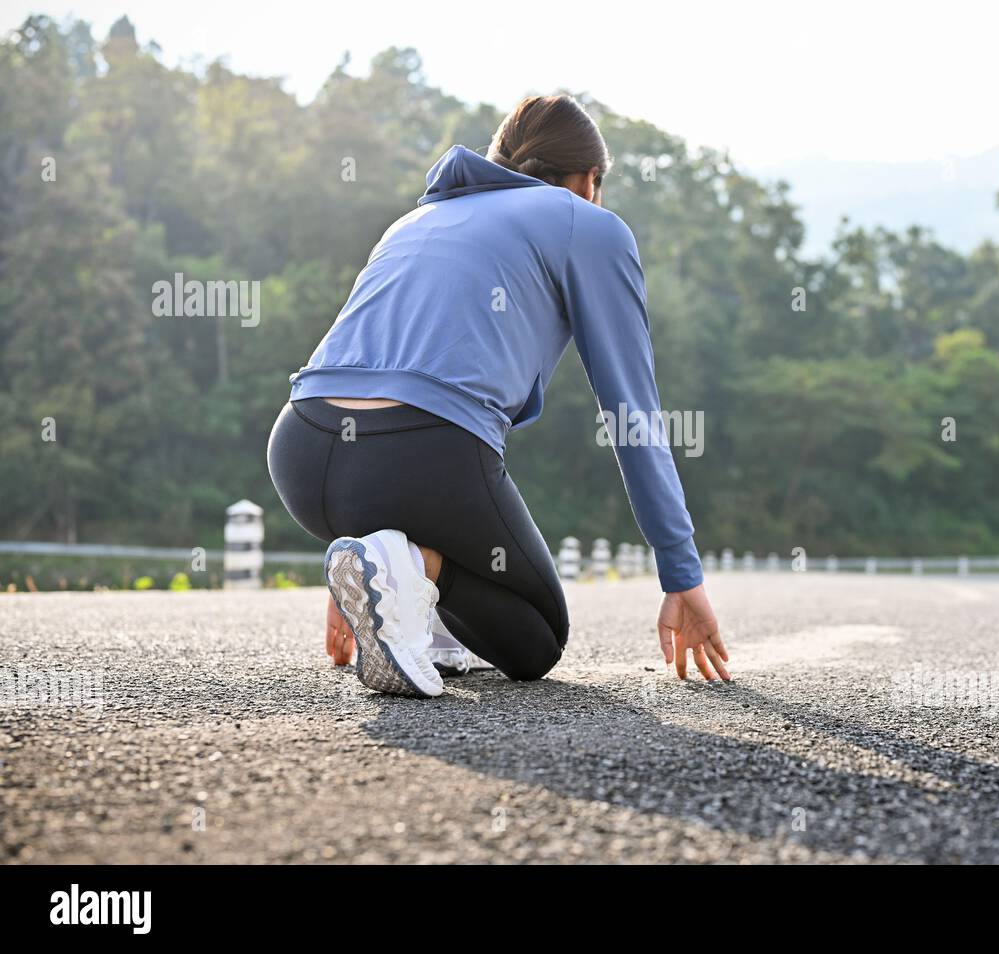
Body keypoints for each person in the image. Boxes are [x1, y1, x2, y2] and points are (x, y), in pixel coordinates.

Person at [266, 94, 729, 698]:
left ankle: (399, 593)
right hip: (418, 453)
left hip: (301, 451)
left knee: (439, 493)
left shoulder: (416, 220)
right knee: (537, 639)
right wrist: (681, 573)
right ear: (589, 180)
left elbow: (367, 381)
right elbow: (630, 414)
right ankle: (409, 570)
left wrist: (356, 556)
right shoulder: (587, 223)